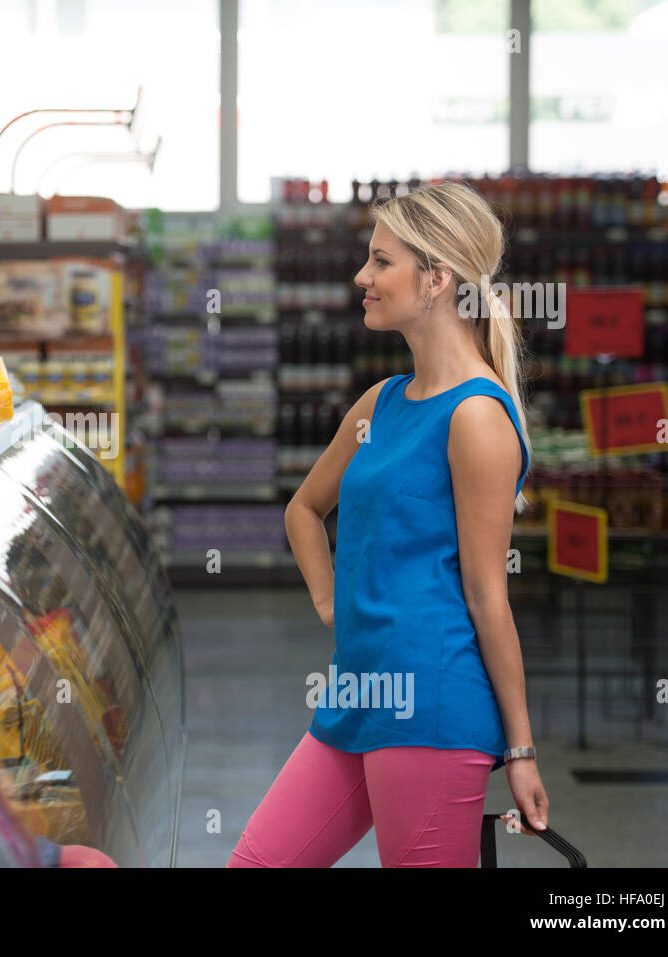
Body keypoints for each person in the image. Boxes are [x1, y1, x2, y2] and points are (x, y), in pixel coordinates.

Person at [228, 181, 549, 868]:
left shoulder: (477, 417)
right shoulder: (383, 402)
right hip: (357, 693)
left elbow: (489, 595)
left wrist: (520, 749)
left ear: (435, 279)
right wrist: (330, 602)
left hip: (432, 707)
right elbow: (304, 509)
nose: (361, 277)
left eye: (380, 261)